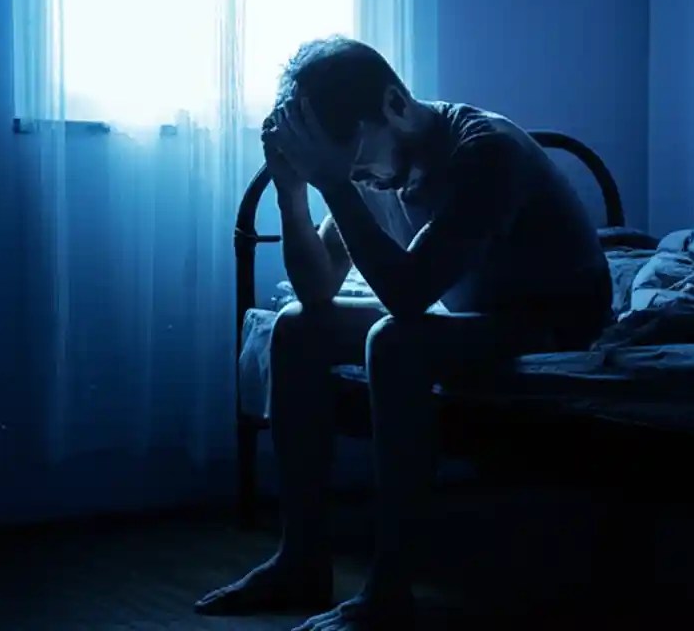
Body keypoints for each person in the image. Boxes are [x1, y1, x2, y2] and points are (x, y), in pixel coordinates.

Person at [194, 37, 613, 630]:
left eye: (358, 165)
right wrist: (294, 190)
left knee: (393, 341)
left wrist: (336, 183)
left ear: (394, 103)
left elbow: (409, 294)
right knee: (294, 328)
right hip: (472, 308)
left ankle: (388, 593)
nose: (360, 177)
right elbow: (319, 290)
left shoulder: (485, 152)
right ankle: (301, 559)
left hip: (556, 320)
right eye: (350, 172)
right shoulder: (369, 155)